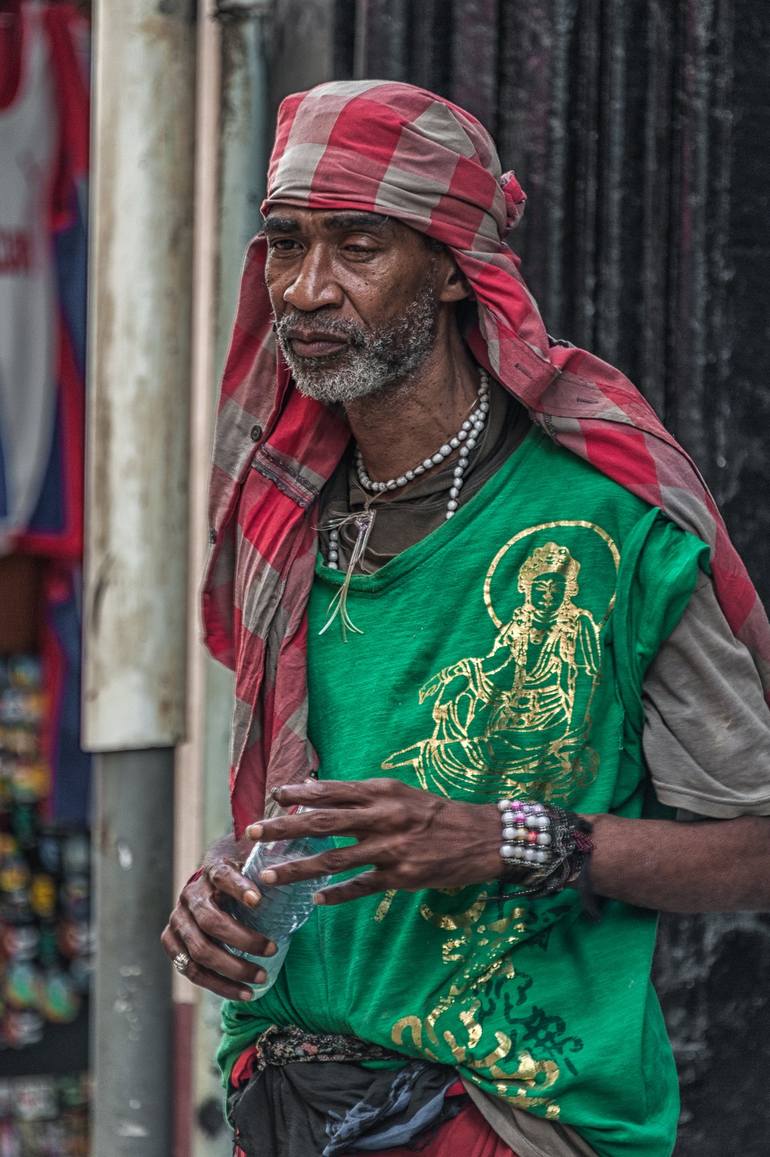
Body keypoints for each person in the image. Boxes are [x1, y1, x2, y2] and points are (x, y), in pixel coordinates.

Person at [161, 80, 770, 1157]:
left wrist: (502, 836)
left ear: (450, 267)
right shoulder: (285, 505)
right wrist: (222, 888)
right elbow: (316, 808)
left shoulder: (606, 519)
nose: (305, 288)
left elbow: (755, 850)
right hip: (286, 1099)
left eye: (357, 246)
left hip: (502, 1112)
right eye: (285, 244)